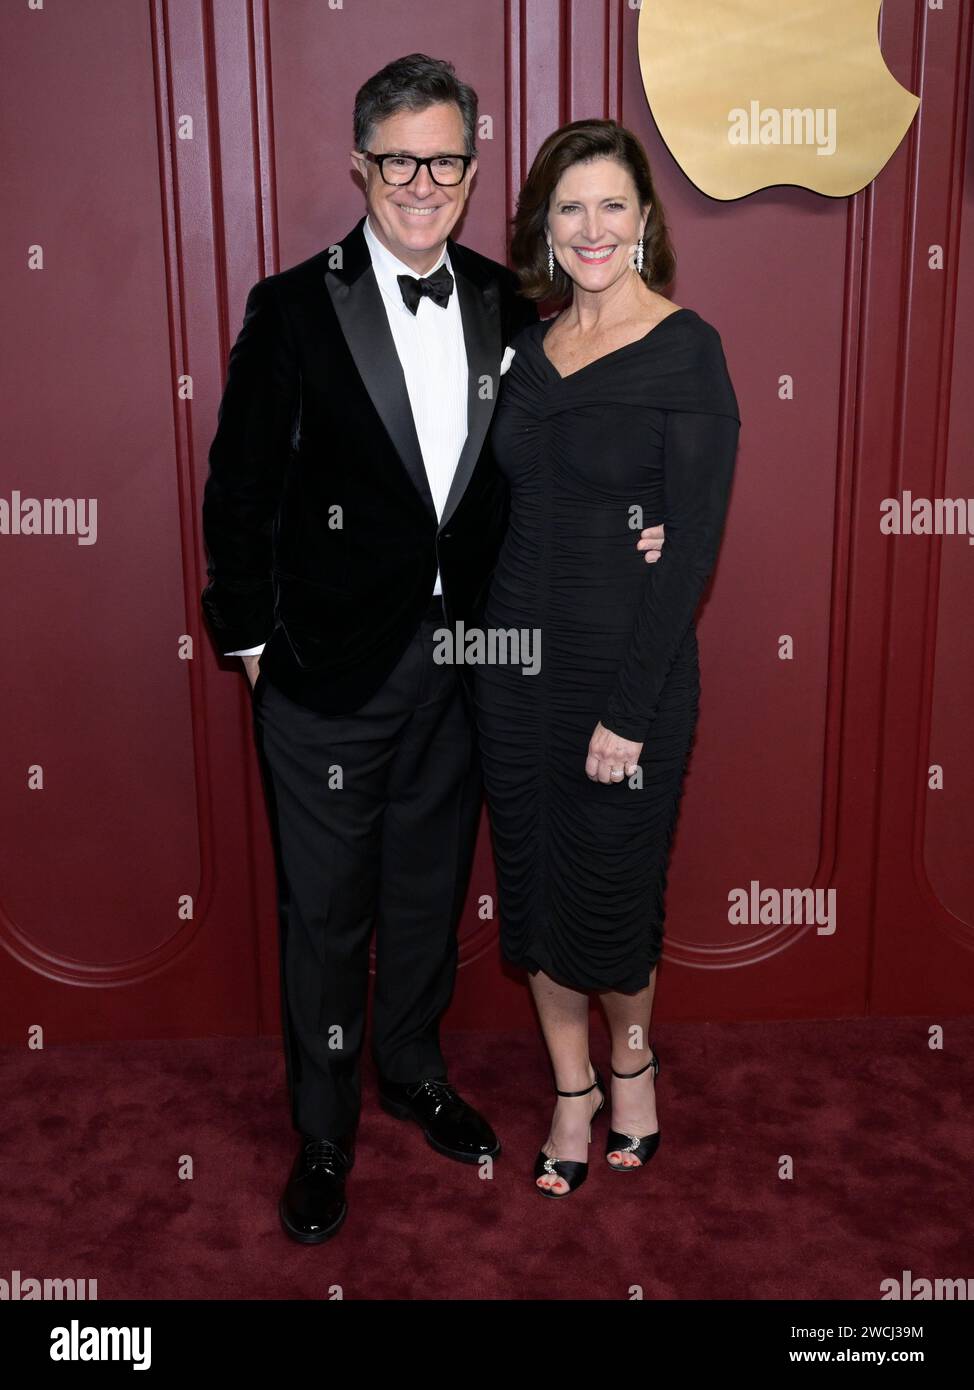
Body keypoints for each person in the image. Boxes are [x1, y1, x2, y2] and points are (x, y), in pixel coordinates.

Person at [201, 56, 671, 1242]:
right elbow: (239, 488)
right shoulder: (292, 305)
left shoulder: (508, 302)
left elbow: (564, 461)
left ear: (471, 169)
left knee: (422, 895)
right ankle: (321, 1132)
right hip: (324, 678)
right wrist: (251, 641)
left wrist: (644, 518)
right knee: (325, 916)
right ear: (361, 164)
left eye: (446, 159)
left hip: (469, 668)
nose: (422, 181)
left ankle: (408, 1071)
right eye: (399, 158)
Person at [474, 119, 741, 1197]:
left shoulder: (687, 350)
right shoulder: (523, 350)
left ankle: (631, 1066)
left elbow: (691, 555)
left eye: (610, 205)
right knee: (533, 891)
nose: (590, 227)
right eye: (568, 207)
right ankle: (570, 1087)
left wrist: (627, 710)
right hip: (513, 672)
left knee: (611, 895)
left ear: (643, 221)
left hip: (625, 675)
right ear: (545, 223)